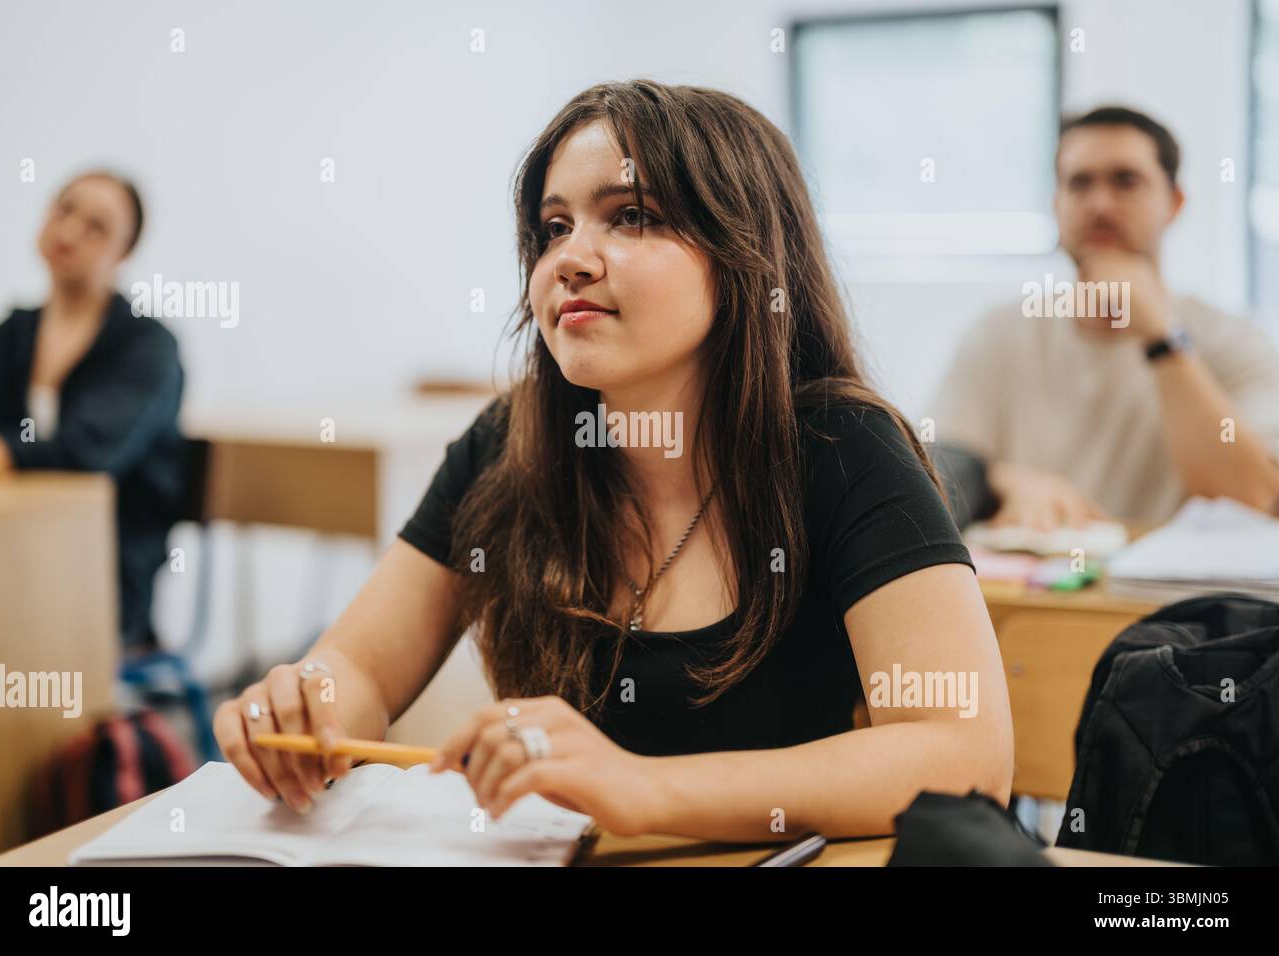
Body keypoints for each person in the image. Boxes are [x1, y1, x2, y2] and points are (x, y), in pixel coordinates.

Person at [214, 80, 1013, 842]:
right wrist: (307, 709)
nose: (572, 258)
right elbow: (359, 666)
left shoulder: (844, 448)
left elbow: (964, 756)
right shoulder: (508, 442)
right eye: (555, 227)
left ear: (745, 256)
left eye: (629, 216)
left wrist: (641, 789)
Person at [932, 106, 1279, 531]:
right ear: (1057, 205)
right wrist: (1002, 481)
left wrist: (1161, 337)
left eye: (1125, 181)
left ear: (1174, 202)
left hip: (1165, 597)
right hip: (1028, 596)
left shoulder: (1234, 341)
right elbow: (935, 474)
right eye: (1079, 184)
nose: (1099, 204)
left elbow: (1254, 500)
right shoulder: (998, 333)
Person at [0, 170, 186, 653]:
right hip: (9, 554)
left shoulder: (147, 346)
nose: (69, 231)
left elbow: (84, 452)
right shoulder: (12, 336)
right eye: (64, 209)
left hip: (102, 574)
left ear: (124, 252)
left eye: (96, 226)